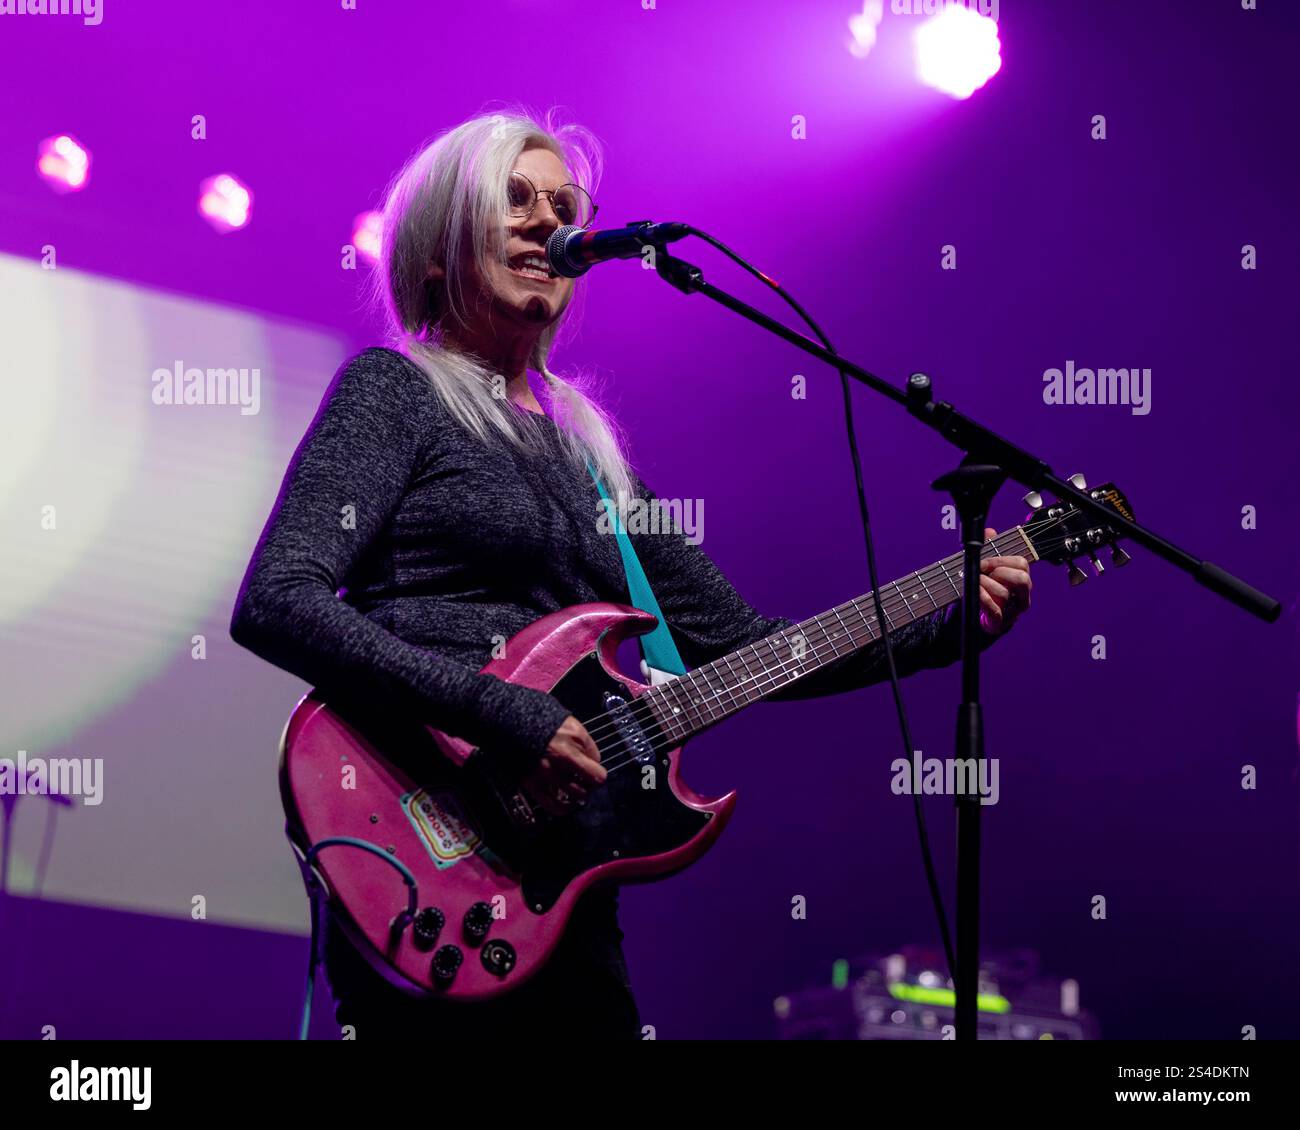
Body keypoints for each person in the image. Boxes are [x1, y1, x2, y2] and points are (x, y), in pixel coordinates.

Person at [229, 108, 1033, 1039]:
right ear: (439, 248)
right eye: (515, 200)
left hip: (560, 889)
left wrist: (948, 622)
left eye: (563, 204)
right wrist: (505, 712)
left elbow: (749, 649)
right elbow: (277, 598)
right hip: (421, 849)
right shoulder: (395, 391)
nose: (547, 221)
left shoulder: (587, 450)